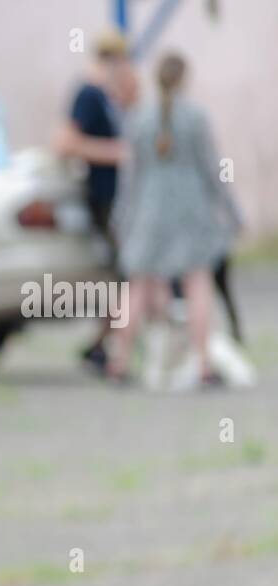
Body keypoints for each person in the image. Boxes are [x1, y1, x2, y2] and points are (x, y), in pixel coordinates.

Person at [107, 52, 243, 386]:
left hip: (149, 211)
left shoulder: (139, 118)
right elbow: (212, 170)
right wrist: (232, 211)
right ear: (184, 79)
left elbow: (130, 175)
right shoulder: (196, 117)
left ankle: (119, 363)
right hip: (190, 211)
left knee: (137, 285)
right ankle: (203, 366)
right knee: (198, 283)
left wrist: (120, 217)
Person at [53, 31, 138, 372]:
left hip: (117, 199)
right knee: (130, 275)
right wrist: (117, 154)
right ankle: (104, 345)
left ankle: (102, 344)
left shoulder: (105, 94)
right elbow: (65, 143)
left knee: (123, 276)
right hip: (104, 199)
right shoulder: (88, 93)